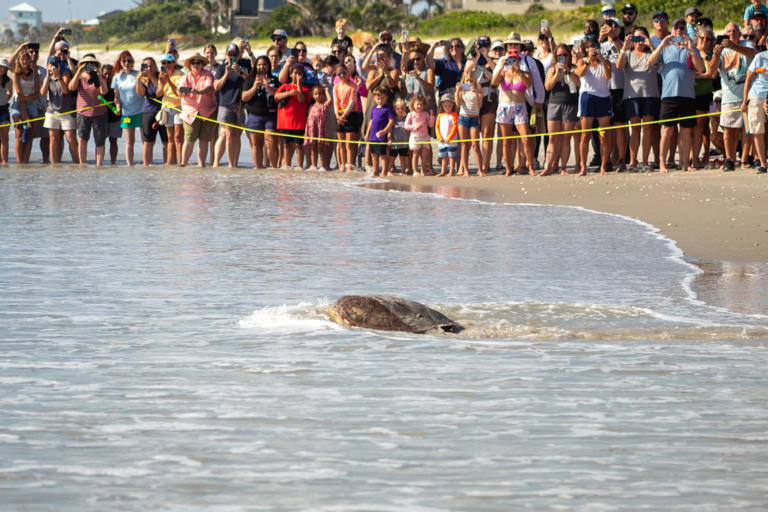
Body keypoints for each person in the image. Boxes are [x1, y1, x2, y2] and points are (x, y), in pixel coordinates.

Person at [648, 18, 705, 173]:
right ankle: (662, 163)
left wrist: (692, 50)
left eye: (682, 28)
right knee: (667, 130)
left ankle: (685, 164)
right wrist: (661, 45)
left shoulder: (691, 48)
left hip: (687, 95)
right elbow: (649, 62)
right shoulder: (665, 48)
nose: (679, 31)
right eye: (676, 28)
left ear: (686, 32)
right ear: (672, 31)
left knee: (686, 130)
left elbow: (701, 68)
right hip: (668, 95)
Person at [618, 27, 660, 172]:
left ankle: (645, 162)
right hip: (632, 96)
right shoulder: (628, 53)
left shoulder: (651, 53)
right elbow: (619, 66)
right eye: (636, 38)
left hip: (650, 94)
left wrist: (651, 45)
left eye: (642, 38)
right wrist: (625, 46)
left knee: (648, 129)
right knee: (634, 130)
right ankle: (632, 161)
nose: (639, 42)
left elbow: (659, 62)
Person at [714, 23, 755, 171]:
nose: (731, 33)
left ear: (739, 33)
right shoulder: (720, 48)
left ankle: (744, 159)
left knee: (746, 129)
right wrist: (716, 54)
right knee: (728, 130)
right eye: (729, 31)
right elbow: (712, 72)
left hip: (746, 96)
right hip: (729, 97)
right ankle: (730, 158)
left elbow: (753, 54)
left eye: (734, 31)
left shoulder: (746, 43)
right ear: (724, 34)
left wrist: (734, 47)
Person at [492, 38, 534, 176]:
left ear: (519, 59)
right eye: (511, 58)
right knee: (506, 141)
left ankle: (530, 166)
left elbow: (528, 85)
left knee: (526, 138)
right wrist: (502, 65)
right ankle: (509, 168)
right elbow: (493, 82)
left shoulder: (524, 71)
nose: (513, 61)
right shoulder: (503, 71)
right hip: (504, 106)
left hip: (519, 106)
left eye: (515, 59)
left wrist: (519, 71)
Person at [575, 38, 613, 176]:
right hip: (587, 97)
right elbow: (579, 74)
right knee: (585, 135)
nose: (593, 49)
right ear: (586, 49)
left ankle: (603, 166)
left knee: (603, 135)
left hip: (603, 98)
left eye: (595, 47)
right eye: (590, 47)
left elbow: (608, 76)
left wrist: (601, 59)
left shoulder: (605, 62)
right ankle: (583, 168)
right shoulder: (582, 61)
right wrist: (587, 60)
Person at [213, 40, 254, 168]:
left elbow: (252, 79)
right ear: (226, 55)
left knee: (237, 133)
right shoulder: (221, 67)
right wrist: (226, 74)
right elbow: (216, 86)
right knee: (228, 133)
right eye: (229, 54)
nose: (232, 57)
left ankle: (235, 164)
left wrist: (239, 72)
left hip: (241, 104)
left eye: (234, 54)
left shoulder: (245, 64)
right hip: (226, 104)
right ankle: (231, 165)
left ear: (238, 55)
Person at [544, 44, 580, 175]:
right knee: (553, 137)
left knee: (566, 137)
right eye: (559, 55)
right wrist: (557, 73)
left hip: (570, 104)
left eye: (564, 55)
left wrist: (568, 71)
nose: (562, 58)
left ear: (569, 55)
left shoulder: (574, 68)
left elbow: (579, 84)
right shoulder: (552, 69)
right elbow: (547, 87)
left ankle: (563, 167)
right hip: (554, 104)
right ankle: (548, 166)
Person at [177, 53, 217, 167]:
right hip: (190, 112)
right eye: (193, 62)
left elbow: (209, 87)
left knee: (204, 140)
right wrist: (181, 92)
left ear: (202, 64)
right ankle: (183, 163)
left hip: (208, 111)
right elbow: (179, 91)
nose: (196, 64)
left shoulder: (208, 75)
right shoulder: (185, 77)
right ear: (189, 65)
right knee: (189, 138)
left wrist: (198, 92)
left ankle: (201, 165)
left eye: (198, 62)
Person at [68, 53, 108, 165]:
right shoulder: (79, 76)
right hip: (83, 112)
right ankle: (82, 164)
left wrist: (99, 75)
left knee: (100, 141)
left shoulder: (100, 76)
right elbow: (71, 87)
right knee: (82, 139)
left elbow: (104, 91)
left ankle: (99, 165)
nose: (89, 65)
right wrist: (79, 72)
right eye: (86, 64)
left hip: (99, 113)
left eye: (92, 63)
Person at [242, 55, 280, 169]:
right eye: (259, 64)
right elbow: (244, 98)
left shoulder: (274, 79)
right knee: (256, 143)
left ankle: (273, 167)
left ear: (268, 66)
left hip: (271, 115)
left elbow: (279, 94)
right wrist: (255, 87)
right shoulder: (249, 80)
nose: (262, 67)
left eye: (264, 64)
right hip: (254, 115)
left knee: (271, 141)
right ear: (255, 66)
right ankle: (258, 169)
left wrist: (268, 87)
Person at [601, 18, 628, 172]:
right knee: (607, 127)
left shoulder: (623, 43)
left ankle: (622, 159)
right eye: (608, 26)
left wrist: (614, 38)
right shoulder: (601, 45)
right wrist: (600, 38)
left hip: (619, 88)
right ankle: (609, 159)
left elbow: (624, 53)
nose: (611, 28)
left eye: (615, 26)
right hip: (604, 89)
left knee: (620, 126)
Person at [40, 54, 78, 164]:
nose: (52, 67)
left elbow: (66, 91)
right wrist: (48, 77)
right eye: (50, 64)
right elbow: (42, 93)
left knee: (71, 139)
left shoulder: (65, 74)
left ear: (59, 65)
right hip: (52, 111)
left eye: (54, 64)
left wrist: (58, 77)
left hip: (67, 111)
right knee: (53, 139)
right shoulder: (47, 77)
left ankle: (77, 163)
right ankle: (54, 164)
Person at [275, 63, 310, 170]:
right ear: (290, 74)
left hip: (299, 122)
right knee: (286, 144)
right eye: (295, 73)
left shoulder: (305, 89)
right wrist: (289, 93)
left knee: (299, 145)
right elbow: (276, 96)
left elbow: (302, 99)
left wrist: (298, 84)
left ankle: (299, 166)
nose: (297, 75)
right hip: (285, 122)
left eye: (300, 73)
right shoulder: (285, 86)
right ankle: (287, 165)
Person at [9, 44, 40, 164]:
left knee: (29, 138)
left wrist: (27, 98)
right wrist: (25, 114)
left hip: (32, 105)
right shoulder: (15, 74)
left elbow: (36, 94)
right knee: (19, 136)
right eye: (23, 59)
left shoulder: (35, 74)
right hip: (18, 106)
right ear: (19, 61)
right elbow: (18, 94)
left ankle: (25, 162)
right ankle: (19, 162)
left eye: (27, 59)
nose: (25, 61)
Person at [741, 43, 768, 173]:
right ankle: (763, 163)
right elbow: (749, 79)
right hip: (757, 96)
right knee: (757, 130)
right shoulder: (760, 57)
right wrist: (745, 100)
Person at [135, 57, 167, 166]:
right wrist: (138, 80)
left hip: (163, 112)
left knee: (166, 142)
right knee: (148, 142)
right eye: (146, 66)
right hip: (148, 111)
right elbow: (140, 93)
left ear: (155, 66)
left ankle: (168, 165)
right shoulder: (143, 78)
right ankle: (146, 166)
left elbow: (160, 91)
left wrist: (152, 77)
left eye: (151, 65)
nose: (149, 68)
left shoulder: (160, 75)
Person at [111, 51, 141, 166]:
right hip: (127, 113)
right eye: (124, 61)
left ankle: (147, 163)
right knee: (129, 140)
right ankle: (129, 164)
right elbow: (116, 97)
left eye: (129, 61)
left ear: (132, 62)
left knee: (145, 140)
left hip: (140, 111)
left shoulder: (138, 74)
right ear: (120, 62)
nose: (127, 63)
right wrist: (118, 108)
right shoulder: (117, 78)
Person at [692, 26, 716, 169]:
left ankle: (705, 155)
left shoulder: (711, 55)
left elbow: (711, 73)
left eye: (708, 39)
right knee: (691, 127)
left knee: (703, 127)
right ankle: (692, 155)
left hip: (706, 94)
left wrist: (703, 53)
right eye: (702, 39)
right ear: (697, 39)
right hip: (690, 93)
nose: (705, 42)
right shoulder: (690, 51)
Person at [455, 67, 483, 176]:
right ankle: (465, 169)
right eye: (467, 81)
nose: (469, 82)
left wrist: (476, 92)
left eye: (471, 80)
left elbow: (479, 106)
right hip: (463, 117)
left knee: (475, 144)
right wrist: (457, 91)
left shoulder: (478, 88)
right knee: (464, 145)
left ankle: (480, 169)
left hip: (474, 118)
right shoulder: (462, 90)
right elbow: (458, 104)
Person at [333, 64, 361, 172]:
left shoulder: (353, 85)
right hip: (339, 114)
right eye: (339, 74)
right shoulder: (336, 86)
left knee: (349, 143)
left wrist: (344, 115)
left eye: (344, 72)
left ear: (348, 72)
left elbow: (352, 101)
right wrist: (337, 115)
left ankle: (349, 165)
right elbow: (336, 102)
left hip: (351, 114)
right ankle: (342, 164)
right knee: (341, 143)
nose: (342, 75)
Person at [158, 52, 184, 165]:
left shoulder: (180, 75)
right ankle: (170, 162)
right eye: (164, 62)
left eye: (169, 62)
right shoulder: (161, 75)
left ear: (174, 63)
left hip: (179, 107)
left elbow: (179, 93)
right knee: (170, 137)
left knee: (178, 137)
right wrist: (162, 82)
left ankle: (181, 161)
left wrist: (168, 80)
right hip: (167, 108)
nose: (166, 64)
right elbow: (158, 93)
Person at [365, 86, 395, 176]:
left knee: (383, 154)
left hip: (382, 136)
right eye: (378, 98)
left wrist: (384, 131)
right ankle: (376, 170)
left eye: (382, 98)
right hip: (373, 136)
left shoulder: (387, 109)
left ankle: (384, 171)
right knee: (373, 154)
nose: (380, 100)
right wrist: (367, 133)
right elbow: (371, 121)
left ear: (386, 97)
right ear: (374, 98)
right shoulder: (374, 108)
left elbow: (391, 121)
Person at [304, 84, 333, 171]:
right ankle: (313, 165)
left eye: (320, 94)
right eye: (316, 94)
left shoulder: (323, 105)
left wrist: (326, 90)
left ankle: (322, 166)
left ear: (323, 95)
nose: (318, 96)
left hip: (320, 129)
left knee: (321, 148)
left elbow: (330, 100)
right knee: (313, 147)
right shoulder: (311, 106)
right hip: (312, 129)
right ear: (312, 95)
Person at [404, 93, 434, 176]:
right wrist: (414, 127)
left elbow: (430, 125)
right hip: (415, 137)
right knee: (415, 154)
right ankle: (415, 170)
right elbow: (406, 126)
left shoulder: (425, 114)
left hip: (425, 137)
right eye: (417, 104)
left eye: (421, 104)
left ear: (424, 105)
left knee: (425, 155)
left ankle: (423, 170)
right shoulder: (411, 114)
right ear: (413, 105)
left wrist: (431, 116)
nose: (419, 106)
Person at [100, 64, 121, 164]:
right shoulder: (99, 84)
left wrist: (117, 109)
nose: (107, 76)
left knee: (113, 141)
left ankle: (113, 163)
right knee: (101, 142)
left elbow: (117, 98)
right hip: (102, 118)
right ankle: (100, 163)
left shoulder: (116, 84)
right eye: (105, 74)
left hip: (115, 118)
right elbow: (100, 98)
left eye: (110, 74)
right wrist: (113, 108)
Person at [435, 93, 459, 176]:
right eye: (445, 105)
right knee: (444, 156)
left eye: (449, 105)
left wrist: (449, 137)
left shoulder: (454, 115)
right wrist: (439, 137)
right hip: (442, 140)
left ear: (453, 105)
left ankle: (451, 171)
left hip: (451, 140)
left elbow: (454, 128)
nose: (447, 107)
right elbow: (437, 127)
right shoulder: (440, 115)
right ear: (442, 106)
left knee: (451, 156)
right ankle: (443, 171)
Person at [387, 98, 411, 175]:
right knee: (392, 157)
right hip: (395, 142)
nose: (400, 110)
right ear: (394, 109)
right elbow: (390, 129)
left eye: (402, 108)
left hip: (404, 142)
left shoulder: (407, 118)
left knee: (403, 158)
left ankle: (403, 171)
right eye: (398, 109)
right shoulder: (393, 119)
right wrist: (389, 139)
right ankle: (389, 171)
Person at [0, 58, 11, 165]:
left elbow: (10, 92)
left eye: (5, 67)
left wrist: (5, 99)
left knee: (4, 138)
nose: (3, 69)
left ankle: (5, 162)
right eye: (1, 66)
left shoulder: (7, 80)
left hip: (3, 108)